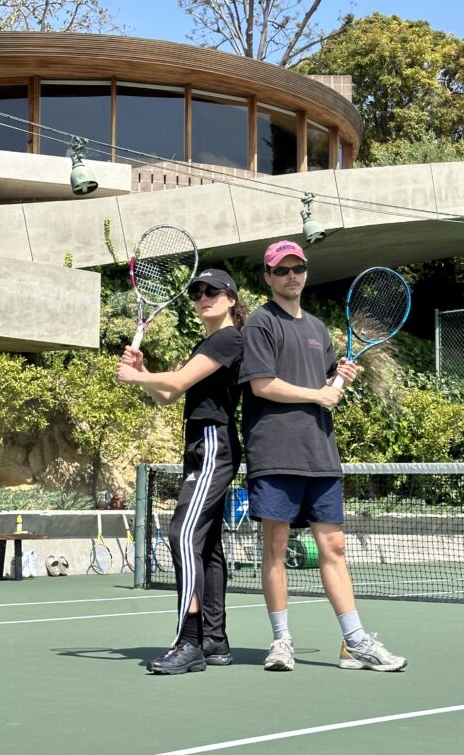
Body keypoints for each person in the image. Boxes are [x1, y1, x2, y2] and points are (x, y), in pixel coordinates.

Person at [239, 240, 408, 673]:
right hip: (275, 452)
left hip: (320, 452)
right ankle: (281, 642)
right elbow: (262, 385)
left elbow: (325, 386)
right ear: (268, 277)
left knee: (333, 545)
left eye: (298, 268)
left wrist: (339, 378)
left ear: (306, 273)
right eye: (282, 270)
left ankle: (354, 643)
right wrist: (318, 391)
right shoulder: (260, 323)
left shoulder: (317, 328)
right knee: (275, 546)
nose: (291, 276)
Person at [116, 268, 245, 675]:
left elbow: (180, 379)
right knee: (205, 546)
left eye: (212, 291)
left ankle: (188, 641)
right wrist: (143, 374)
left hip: (213, 443)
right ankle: (214, 640)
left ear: (230, 299)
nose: (202, 296)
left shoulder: (228, 338)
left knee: (182, 533)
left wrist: (137, 374)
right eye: (196, 292)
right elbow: (170, 394)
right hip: (200, 444)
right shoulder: (205, 342)